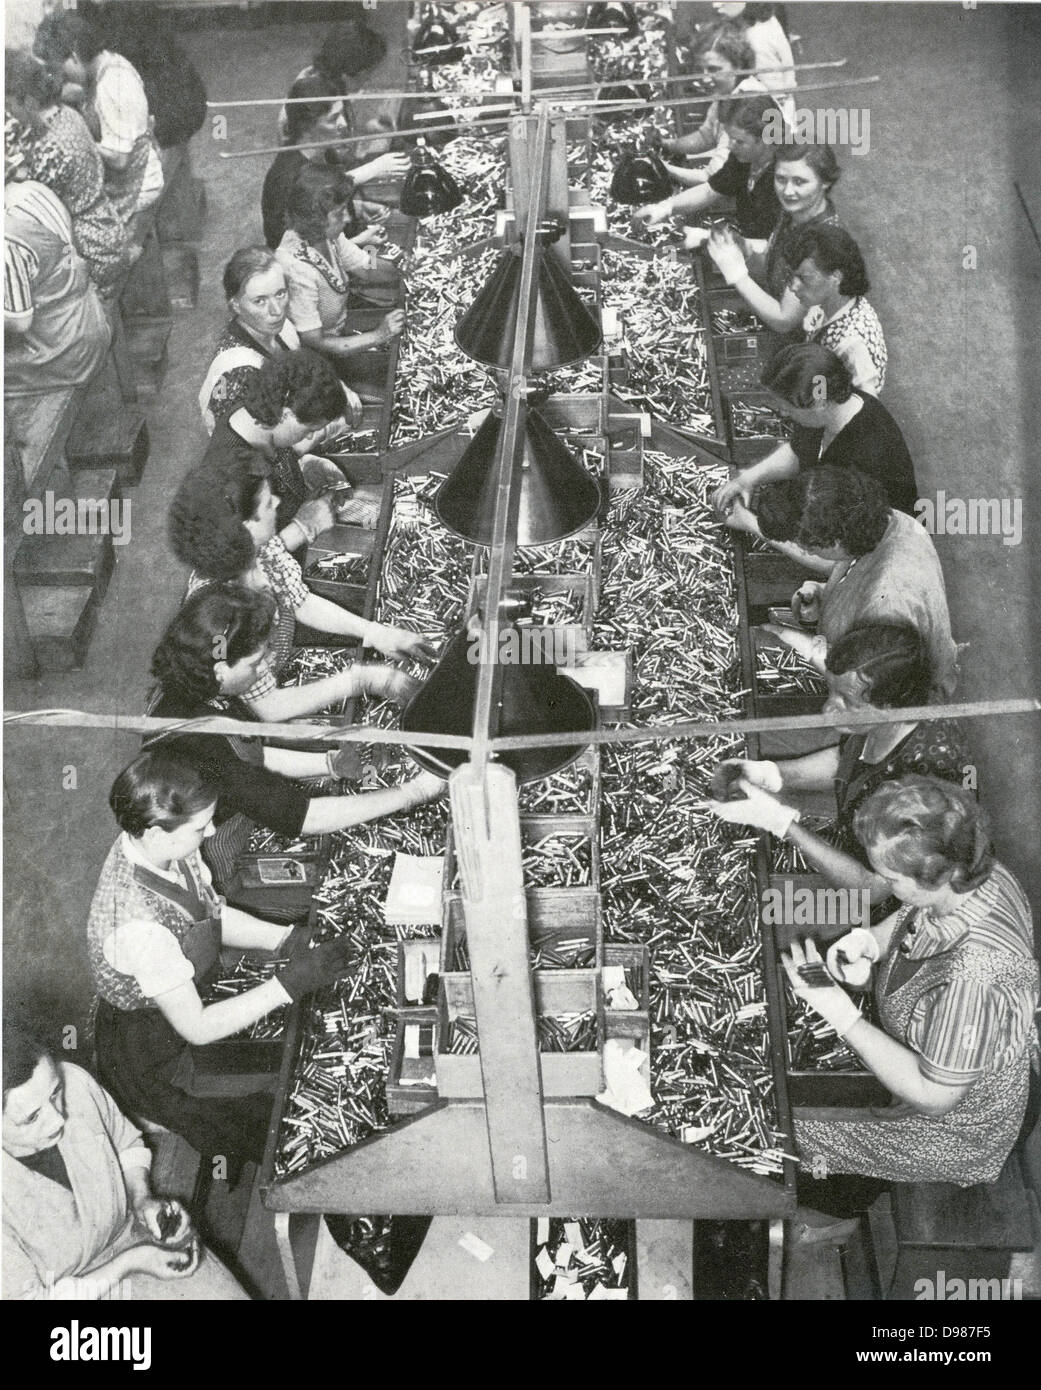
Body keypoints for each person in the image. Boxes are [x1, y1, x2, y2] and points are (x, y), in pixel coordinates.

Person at [87, 751, 357, 1174]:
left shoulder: (164, 847)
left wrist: (284, 939)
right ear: (157, 833)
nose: (212, 831)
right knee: (244, 1120)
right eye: (201, 827)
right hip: (151, 1045)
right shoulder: (137, 926)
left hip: (188, 990)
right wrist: (285, 986)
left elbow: (210, 911)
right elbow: (196, 1027)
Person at [783, 777, 1038, 1211]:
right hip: (938, 1056)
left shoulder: (974, 981)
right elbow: (918, 909)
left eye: (890, 878)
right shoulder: (978, 875)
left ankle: (833, 1215)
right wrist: (873, 941)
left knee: (794, 1137)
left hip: (957, 1125)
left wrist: (841, 1015)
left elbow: (933, 1096)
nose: (884, 885)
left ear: (936, 873)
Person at [147, 585, 445, 888]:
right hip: (211, 848)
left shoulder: (196, 684)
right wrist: (413, 793)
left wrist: (329, 765)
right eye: (255, 663)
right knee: (250, 891)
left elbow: (250, 752)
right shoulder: (204, 743)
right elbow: (308, 817)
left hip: (232, 799)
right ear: (222, 669)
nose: (265, 670)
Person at [707, 623, 972, 922]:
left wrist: (782, 824)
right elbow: (847, 760)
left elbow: (874, 889)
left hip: (888, 908)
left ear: (889, 707)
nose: (828, 709)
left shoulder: (925, 772)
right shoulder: (889, 712)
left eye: (847, 702)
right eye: (832, 691)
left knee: (759, 909)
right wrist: (770, 772)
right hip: (857, 832)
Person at [168, 454, 436, 722]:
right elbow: (268, 707)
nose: (278, 502)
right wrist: (362, 680)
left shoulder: (258, 548)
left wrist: (374, 633)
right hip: (237, 718)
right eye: (267, 503)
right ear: (245, 528)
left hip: (272, 665)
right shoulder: (222, 616)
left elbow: (300, 601)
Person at [2, 1018, 248, 1300]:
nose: (58, 1119)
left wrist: (141, 1198)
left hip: (130, 1237)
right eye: (32, 1117)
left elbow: (125, 1142)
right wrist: (131, 1262)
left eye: (55, 1093)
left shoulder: (74, 1081)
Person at [754, 467, 960, 699]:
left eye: (809, 548)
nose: (804, 551)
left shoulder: (891, 600)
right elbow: (860, 578)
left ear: (837, 540)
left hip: (897, 701)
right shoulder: (887, 522)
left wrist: (801, 642)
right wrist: (825, 595)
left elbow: (864, 688)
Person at [713, 345, 916, 519]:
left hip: (875, 544)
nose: (782, 413)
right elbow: (799, 451)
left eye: (787, 408)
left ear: (817, 403)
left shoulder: (865, 457)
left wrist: (751, 524)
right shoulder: (825, 407)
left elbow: (833, 551)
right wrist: (748, 479)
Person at [4, 48, 137, 290]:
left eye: (9, 104)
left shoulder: (50, 149)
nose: (8, 112)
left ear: (30, 101)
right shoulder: (65, 115)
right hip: (106, 230)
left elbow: (31, 210)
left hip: (91, 251)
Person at [199, 248, 363, 439]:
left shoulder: (282, 328)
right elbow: (253, 451)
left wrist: (339, 386)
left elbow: (304, 374)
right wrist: (325, 429)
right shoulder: (235, 373)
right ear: (235, 305)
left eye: (280, 294)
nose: (276, 310)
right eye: (260, 301)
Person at [201, 348, 366, 529]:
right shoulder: (231, 476)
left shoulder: (265, 413)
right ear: (286, 415)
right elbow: (242, 553)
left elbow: (278, 458)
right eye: (310, 430)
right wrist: (302, 529)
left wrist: (303, 466)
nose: (310, 437)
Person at [275, 165, 404, 392]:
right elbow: (315, 342)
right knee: (397, 382)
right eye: (339, 212)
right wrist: (378, 335)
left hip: (343, 329)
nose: (347, 217)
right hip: (321, 363)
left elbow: (367, 268)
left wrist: (403, 267)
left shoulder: (327, 235)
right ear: (315, 219)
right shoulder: (295, 268)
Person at [33, 9, 163, 220]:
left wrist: (79, 143)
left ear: (74, 56)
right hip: (129, 174)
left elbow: (120, 159)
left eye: (61, 69)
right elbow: (84, 94)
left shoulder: (112, 85)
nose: (61, 76)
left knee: (72, 216)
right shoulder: (105, 62)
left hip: (138, 185)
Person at [261, 73, 409, 252]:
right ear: (306, 126)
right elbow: (293, 256)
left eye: (342, 114)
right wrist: (357, 243)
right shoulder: (288, 177)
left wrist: (357, 208)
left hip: (341, 238)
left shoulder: (324, 151)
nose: (343, 124)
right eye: (333, 119)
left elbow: (324, 204)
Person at [704, 145, 841, 332]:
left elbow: (784, 320)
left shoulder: (820, 242)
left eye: (800, 182)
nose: (787, 191)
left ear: (824, 182)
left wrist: (737, 274)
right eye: (781, 179)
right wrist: (745, 251)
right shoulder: (793, 214)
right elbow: (774, 272)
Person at [3, 164, 111, 398]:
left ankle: (30, 433)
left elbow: (20, 322)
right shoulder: (31, 190)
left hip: (65, 349)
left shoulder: (6, 242)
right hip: (91, 317)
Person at [636, 94, 784, 240]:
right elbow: (711, 190)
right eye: (729, 138)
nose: (730, 146)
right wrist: (666, 207)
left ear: (765, 140)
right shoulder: (744, 159)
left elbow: (772, 246)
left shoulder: (784, 176)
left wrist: (709, 237)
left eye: (739, 141)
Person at [786, 224, 886, 395]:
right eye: (793, 276)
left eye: (804, 278)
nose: (794, 287)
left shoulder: (853, 342)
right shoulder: (832, 305)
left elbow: (866, 409)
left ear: (836, 277)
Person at [661, 22, 767, 179]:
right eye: (700, 69)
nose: (704, 78)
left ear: (738, 66)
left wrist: (662, 168)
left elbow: (713, 178)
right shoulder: (724, 94)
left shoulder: (747, 101)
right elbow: (706, 136)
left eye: (714, 69)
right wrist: (667, 144)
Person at [713, 3, 796, 91]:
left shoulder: (768, 25)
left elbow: (787, 61)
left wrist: (787, 89)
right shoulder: (723, 29)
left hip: (776, 96)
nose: (715, 4)